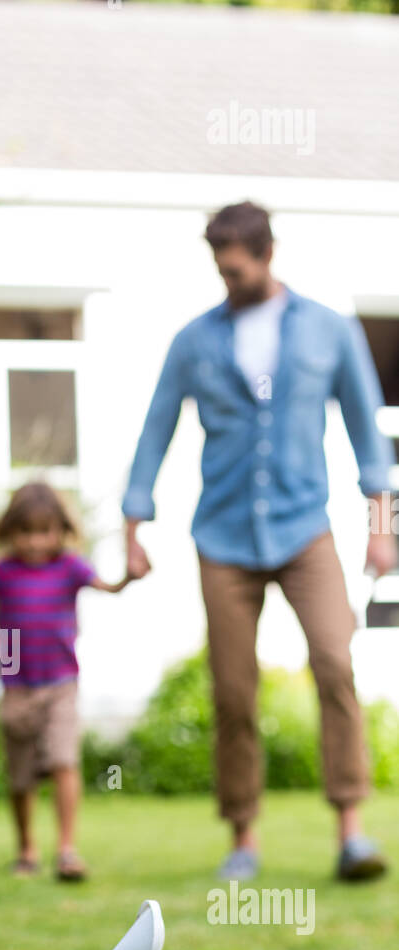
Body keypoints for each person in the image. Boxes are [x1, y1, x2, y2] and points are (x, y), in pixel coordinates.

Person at [122, 201, 396, 882]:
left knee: (336, 665)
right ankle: (243, 840)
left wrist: (381, 530)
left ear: (267, 255)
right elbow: (155, 431)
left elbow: (368, 432)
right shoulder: (194, 341)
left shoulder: (328, 331)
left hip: (307, 530)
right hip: (222, 536)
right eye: (218, 269)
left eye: (236, 269)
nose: (227, 281)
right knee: (233, 692)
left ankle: (352, 834)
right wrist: (134, 525)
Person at [0, 482, 133, 881]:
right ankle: (27, 848)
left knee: (64, 762)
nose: (36, 541)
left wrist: (129, 575)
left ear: (61, 530)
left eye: (45, 531)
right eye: (25, 532)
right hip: (17, 688)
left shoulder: (71, 567)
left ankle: (66, 851)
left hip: (61, 684)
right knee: (21, 775)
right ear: (10, 532)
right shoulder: (2, 573)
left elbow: (108, 588)